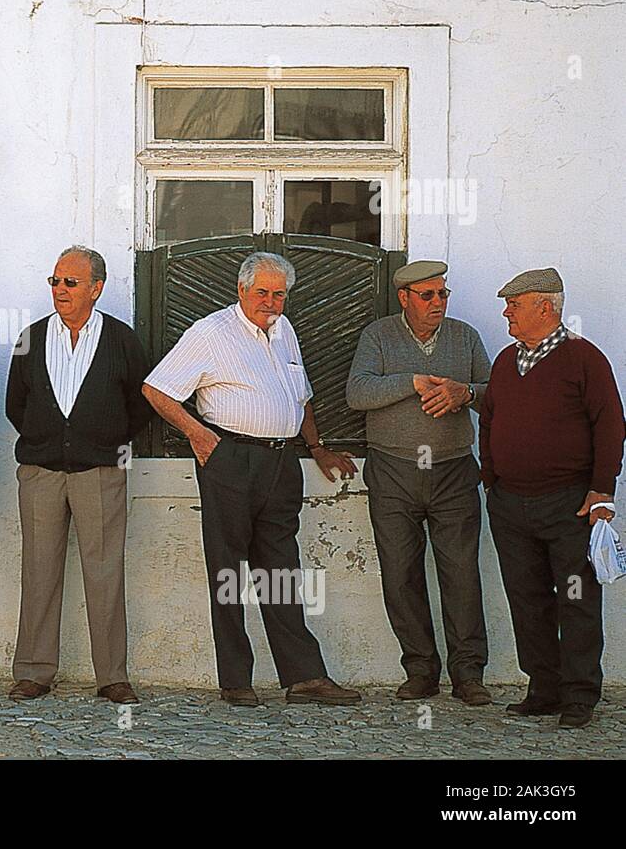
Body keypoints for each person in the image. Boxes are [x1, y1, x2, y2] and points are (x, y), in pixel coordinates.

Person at [142, 252, 361, 706]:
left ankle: (303, 678)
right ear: (241, 290)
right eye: (262, 292)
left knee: (281, 572)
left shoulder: (285, 331)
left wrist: (317, 448)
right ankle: (236, 682)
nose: (270, 301)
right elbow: (156, 389)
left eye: (279, 293)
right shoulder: (210, 332)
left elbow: (300, 399)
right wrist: (197, 436)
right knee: (227, 570)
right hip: (231, 460)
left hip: (282, 464)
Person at [5, 246, 152, 704]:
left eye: (70, 282)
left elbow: (140, 404)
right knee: (38, 570)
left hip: (101, 471)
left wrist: (104, 440)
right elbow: (16, 403)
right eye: (55, 281)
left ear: (96, 288)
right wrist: (46, 437)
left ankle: (111, 675)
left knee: (105, 572)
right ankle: (33, 670)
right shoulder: (31, 337)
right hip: (40, 471)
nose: (60, 290)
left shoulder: (122, 340)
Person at [480, 268, 624, 729]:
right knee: (527, 599)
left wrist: (603, 490)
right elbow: (489, 420)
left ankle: (579, 695)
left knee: (576, 597)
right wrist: (491, 480)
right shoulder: (506, 361)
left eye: (514, 304)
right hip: (510, 504)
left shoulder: (584, 359)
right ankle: (543, 688)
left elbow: (610, 426)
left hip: (569, 504)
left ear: (545, 307)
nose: (506, 312)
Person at [346, 260, 493, 705]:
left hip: (452, 470)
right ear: (404, 298)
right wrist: (411, 381)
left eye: (443, 294)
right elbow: (358, 393)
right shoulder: (379, 336)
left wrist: (463, 393)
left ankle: (468, 675)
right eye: (427, 295)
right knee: (400, 573)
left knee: (463, 574)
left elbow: (494, 393)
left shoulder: (465, 336)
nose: (438, 303)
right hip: (393, 470)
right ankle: (420, 670)